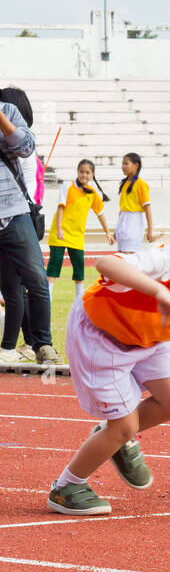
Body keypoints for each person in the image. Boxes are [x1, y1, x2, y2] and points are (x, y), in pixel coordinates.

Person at [47, 181, 170, 515]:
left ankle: (112, 434)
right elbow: (106, 265)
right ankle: (67, 486)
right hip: (101, 337)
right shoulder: (165, 260)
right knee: (124, 427)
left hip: (150, 338)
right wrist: (159, 292)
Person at [0, 88, 58, 365]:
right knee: (10, 290)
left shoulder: (8, 111)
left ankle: (42, 344)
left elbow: (25, 146)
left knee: (35, 279)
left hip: (13, 212)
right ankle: (9, 347)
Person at [48, 159, 115, 301]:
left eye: (87, 173)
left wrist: (108, 233)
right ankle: (47, 296)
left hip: (76, 236)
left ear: (92, 175)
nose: (84, 175)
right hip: (59, 233)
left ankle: (79, 298)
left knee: (79, 266)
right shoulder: (67, 186)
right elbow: (60, 208)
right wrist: (59, 229)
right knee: (55, 263)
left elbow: (100, 214)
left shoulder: (92, 193)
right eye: (81, 172)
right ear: (77, 172)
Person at [115, 152, 155, 252]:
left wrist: (150, 230)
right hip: (123, 219)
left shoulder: (140, 184)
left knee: (130, 253)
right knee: (121, 253)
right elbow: (122, 207)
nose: (123, 166)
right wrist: (118, 227)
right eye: (122, 164)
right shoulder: (124, 183)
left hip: (134, 221)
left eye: (126, 164)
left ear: (136, 165)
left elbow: (147, 208)